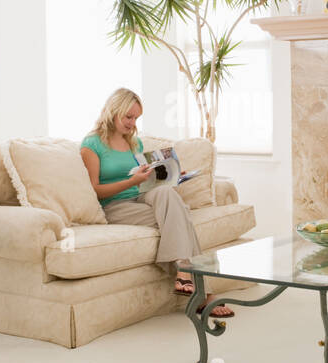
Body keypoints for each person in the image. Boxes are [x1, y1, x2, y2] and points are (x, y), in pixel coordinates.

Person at [79, 88, 233, 318]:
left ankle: (184, 271)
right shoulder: (92, 144)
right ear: (113, 112)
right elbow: (95, 191)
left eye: (136, 118)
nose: (132, 123)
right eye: (128, 117)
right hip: (115, 206)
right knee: (180, 217)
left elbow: (143, 182)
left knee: (168, 195)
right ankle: (204, 293)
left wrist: (169, 176)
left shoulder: (134, 143)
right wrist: (132, 180)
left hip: (140, 195)